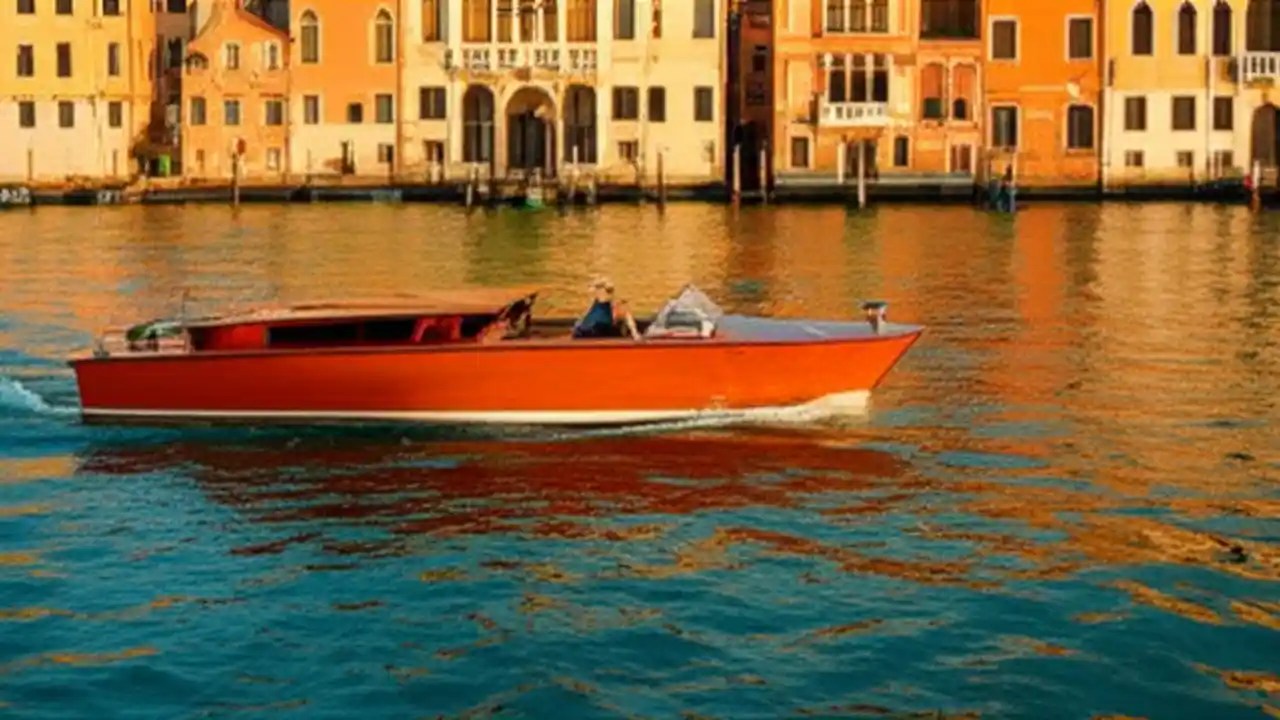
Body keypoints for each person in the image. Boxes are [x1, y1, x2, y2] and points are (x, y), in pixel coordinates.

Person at [572, 278, 640, 340]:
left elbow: (585, 315)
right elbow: (586, 314)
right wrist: (634, 333)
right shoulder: (598, 300)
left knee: (583, 327)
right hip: (593, 328)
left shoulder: (612, 302)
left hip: (594, 328)